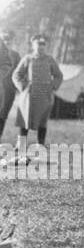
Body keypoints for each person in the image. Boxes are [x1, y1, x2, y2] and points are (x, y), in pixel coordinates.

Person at [7, 34, 63, 162]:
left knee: (42, 122)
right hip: (29, 96)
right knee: (25, 121)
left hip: (45, 96)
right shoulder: (28, 59)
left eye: (43, 45)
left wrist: (52, 87)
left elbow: (58, 76)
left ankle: (40, 148)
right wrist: (23, 87)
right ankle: (21, 148)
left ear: (46, 46)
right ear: (33, 46)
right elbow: (16, 75)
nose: (41, 47)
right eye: (38, 44)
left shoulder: (50, 60)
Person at [0, 30, 21, 141]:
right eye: (4, 38)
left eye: (9, 39)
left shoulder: (16, 56)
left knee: (2, 115)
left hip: (8, 90)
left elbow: (20, 73)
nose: (6, 41)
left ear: (12, 40)